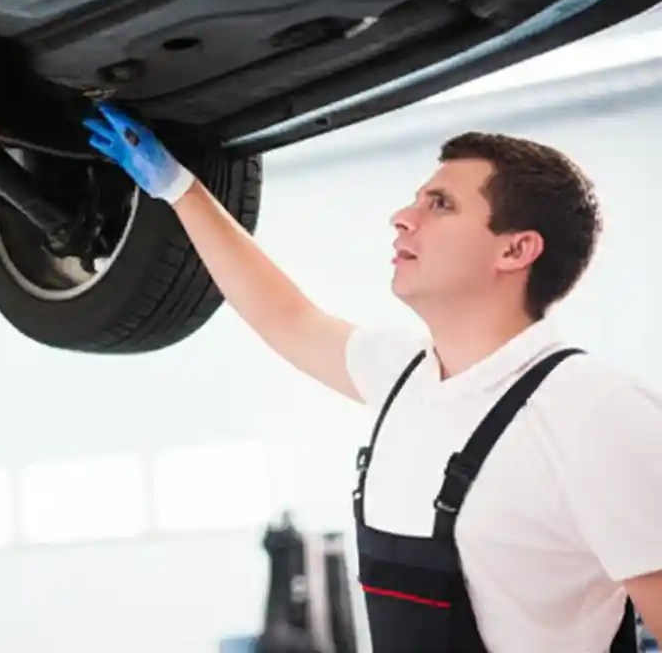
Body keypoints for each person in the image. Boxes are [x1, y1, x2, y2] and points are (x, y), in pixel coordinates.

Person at [83, 103, 662, 652]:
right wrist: (179, 189)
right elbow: (287, 317)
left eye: (440, 205)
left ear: (515, 250)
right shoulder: (404, 374)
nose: (402, 218)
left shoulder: (596, 412)